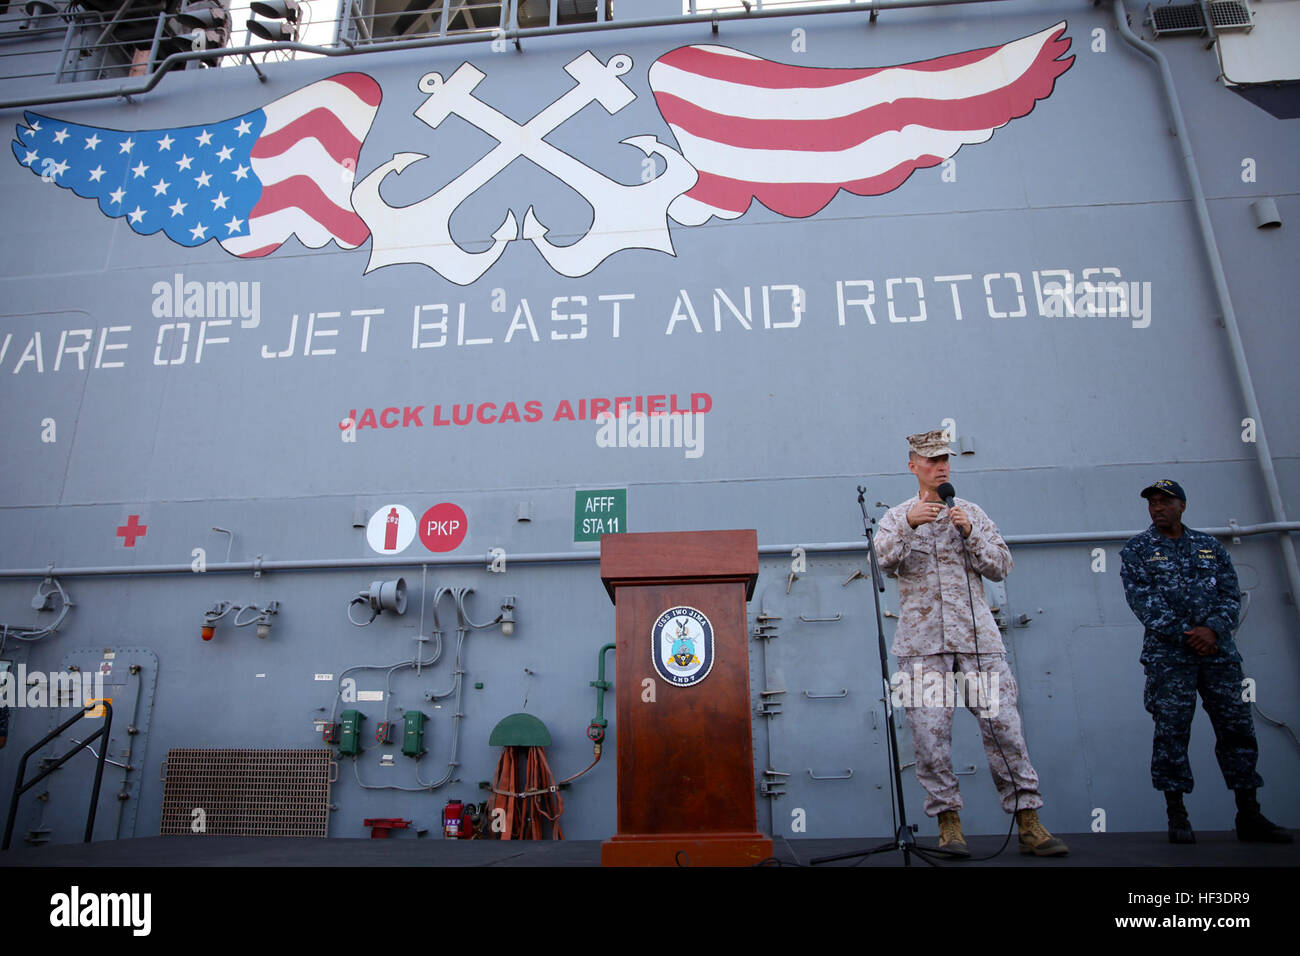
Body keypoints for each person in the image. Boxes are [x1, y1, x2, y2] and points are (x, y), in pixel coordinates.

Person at [875, 429, 1067, 857]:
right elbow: (881, 563)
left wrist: (971, 534)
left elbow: (1001, 566)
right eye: (930, 460)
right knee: (928, 738)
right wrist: (908, 526)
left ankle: (1029, 822)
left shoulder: (972, 512)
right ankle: (948, 825)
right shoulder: (896, 516)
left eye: (945, 459)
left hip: (978, 642)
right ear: (913, 467)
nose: (940, 466)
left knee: (1005, 730)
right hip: (921, 648)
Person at [1120, 479, 1291, 844]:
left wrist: (1212, 630)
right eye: (1152, 502)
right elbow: (1144, 603)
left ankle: (1249, 813)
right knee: (1171, 733)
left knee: (1237, 731)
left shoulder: (1209, 547)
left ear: (1182, 505)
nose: (1157, 508)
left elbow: (1230, 593)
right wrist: (1190, 634)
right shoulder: (1137, 550)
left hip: (1219, 655)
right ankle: (1177, 815)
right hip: (1170, 659)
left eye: (1164, 501)